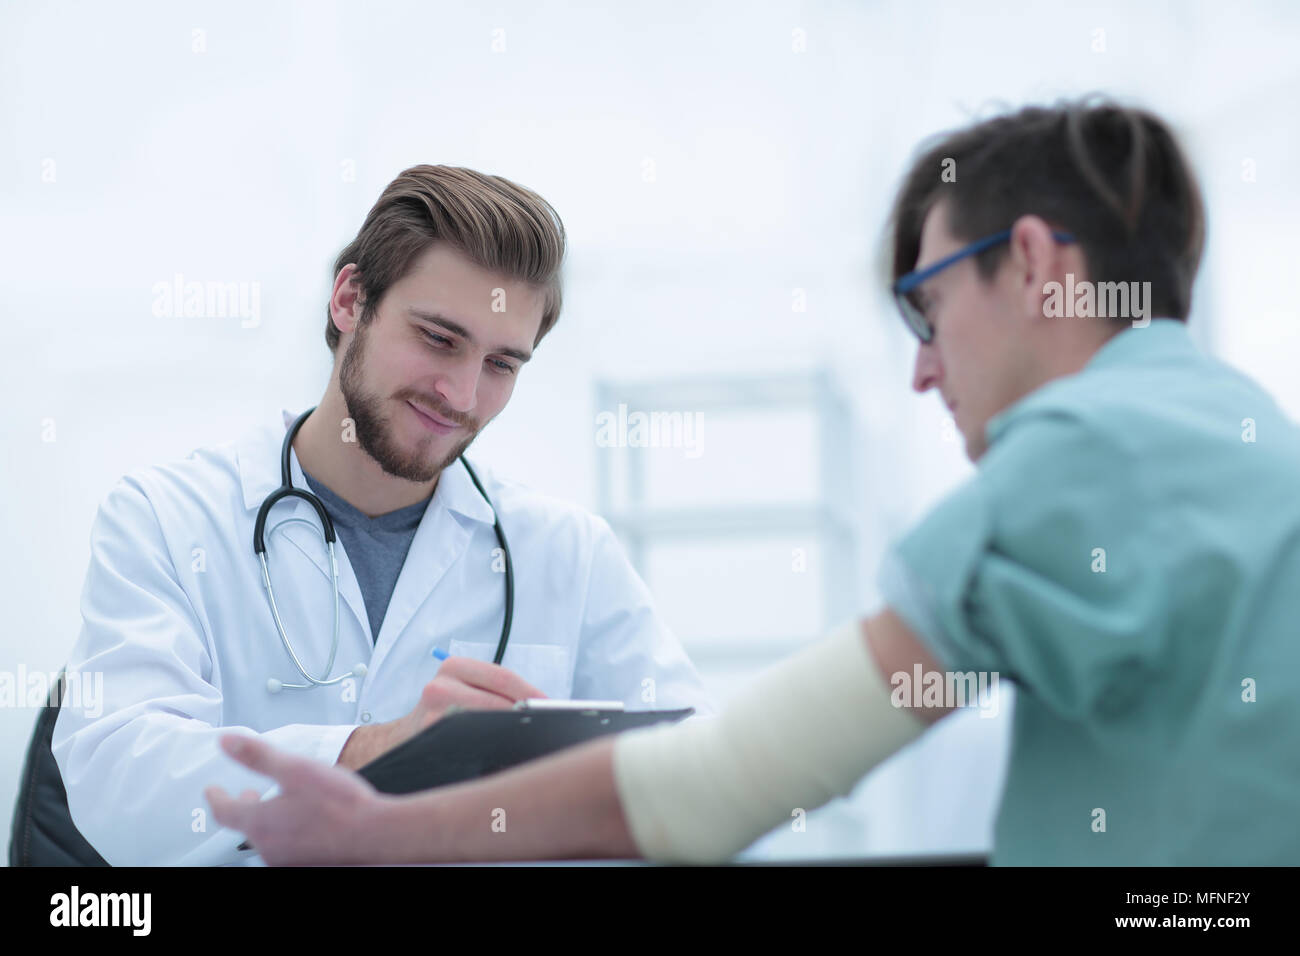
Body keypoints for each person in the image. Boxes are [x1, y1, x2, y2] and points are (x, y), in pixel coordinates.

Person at [208, 98, 1300, 866]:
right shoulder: (1246, 428)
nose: (923, 367)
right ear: (349, 299)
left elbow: (725, 782)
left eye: (924, 306)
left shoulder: (1076, 460)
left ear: (1033, 263)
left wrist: (366, 832)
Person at [52, 164, 715, 866]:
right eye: (438, 338)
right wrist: (376, 750)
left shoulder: (566, 553)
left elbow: (694, 773)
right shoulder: (165, 518)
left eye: (502, 365)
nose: (460, 394)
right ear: (349, 300)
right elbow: (117, 782)